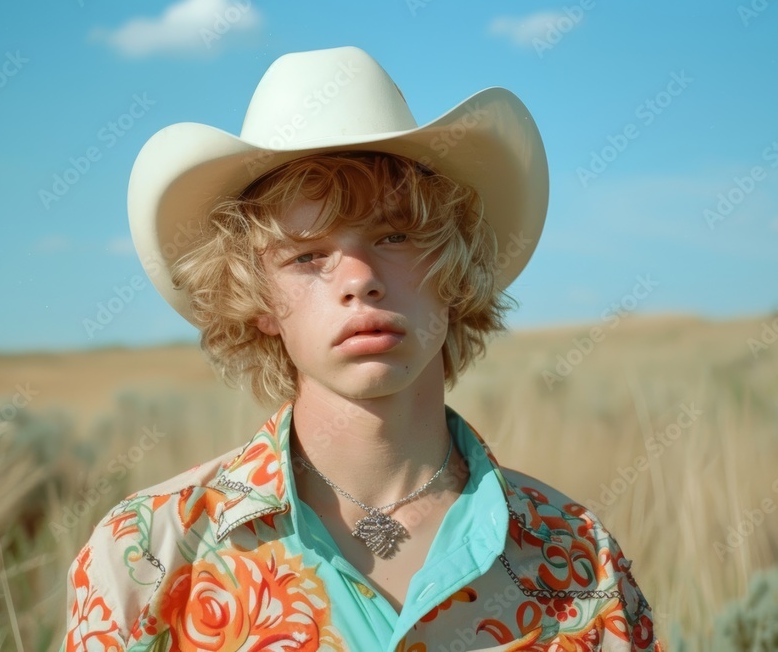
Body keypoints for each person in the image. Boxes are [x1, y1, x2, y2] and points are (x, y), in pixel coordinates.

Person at [63, 46, 660, 651]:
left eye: (396, 235)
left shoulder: (579, 559)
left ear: (455, 271)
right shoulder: (148, 556)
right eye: (307, 254)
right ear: (258, 302)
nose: (360, 278)